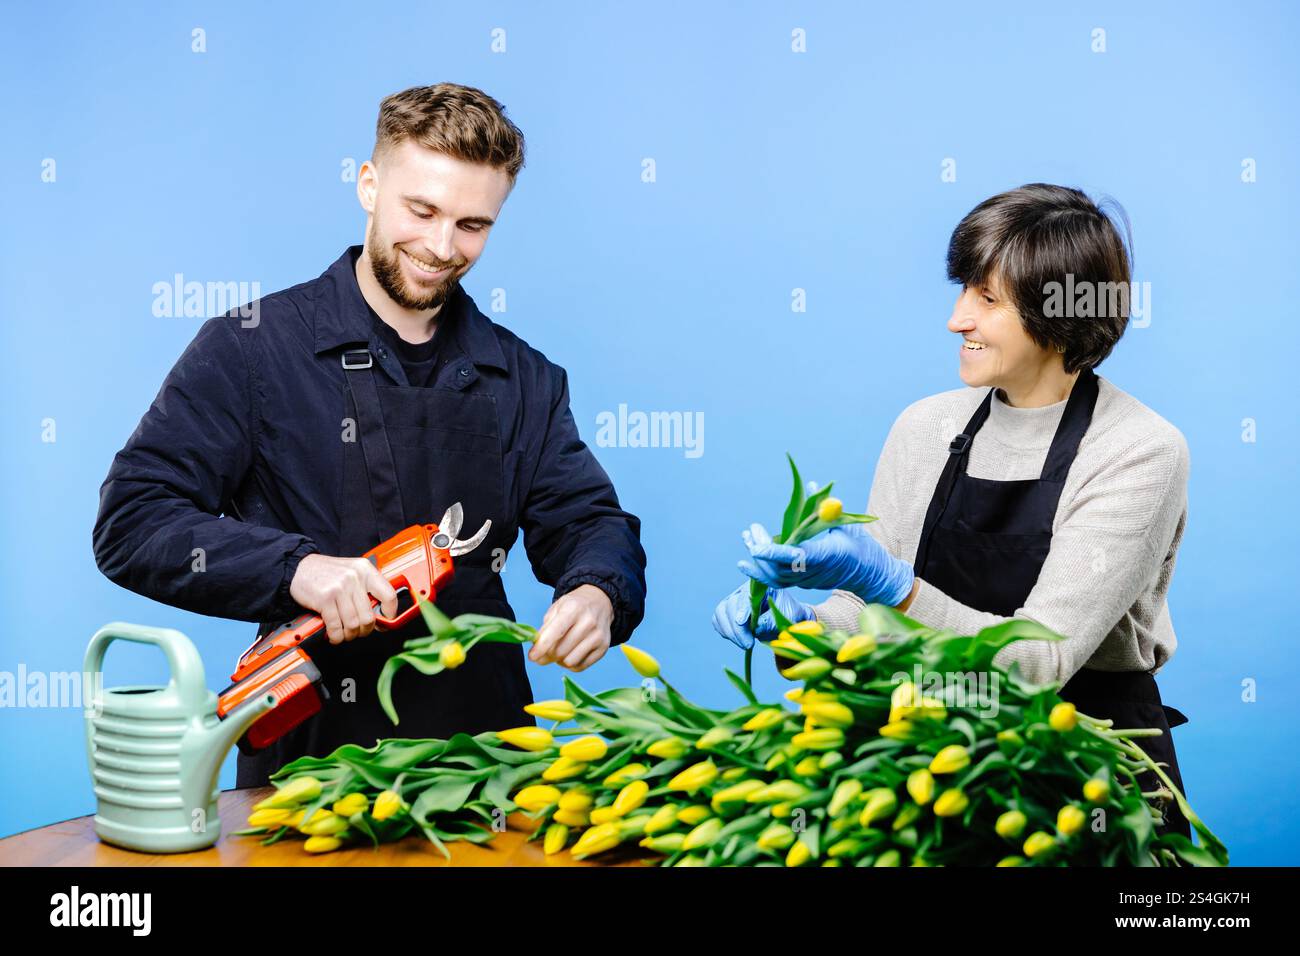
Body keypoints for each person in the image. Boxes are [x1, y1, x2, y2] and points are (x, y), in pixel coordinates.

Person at [93, 83, 646, 787]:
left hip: (488, 767)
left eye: (473, 225)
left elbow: (591, 520)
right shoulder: (251, 349)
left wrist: (596, 590)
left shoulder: (525, 377)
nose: (442, 247)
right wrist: (297, 569)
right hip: (305, 764)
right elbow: (133, 521)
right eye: (422, 210)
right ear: (368, 184)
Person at [712, 184, 1192, 838]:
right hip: (935, 769)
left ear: (1063, 312)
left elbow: (1037, 664)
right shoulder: (926, 427)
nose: (957, 318)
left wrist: (891, 585)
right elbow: (877, 619)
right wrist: (805, 624)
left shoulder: (1137, 450)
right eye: (964, 288)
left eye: (987, 298)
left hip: (1089, 785)